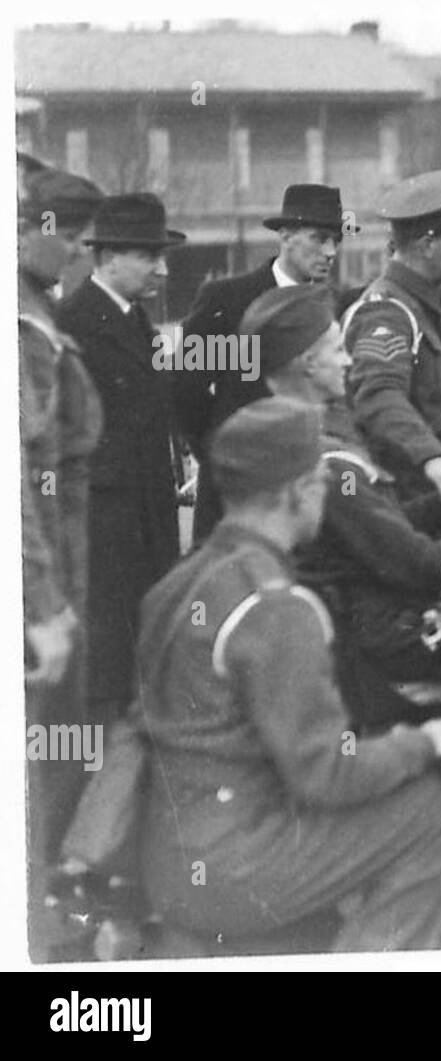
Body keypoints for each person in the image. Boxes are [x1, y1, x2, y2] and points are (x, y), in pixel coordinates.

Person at [135, 397, 441, 951]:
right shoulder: (277, 608)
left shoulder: (181, 584)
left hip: (166, 857)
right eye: (320, 479)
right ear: (297, 491)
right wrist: (424, 743)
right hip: (234, 866)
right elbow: (326, 776)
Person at [240, 284, 441, 729]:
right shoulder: (324, 459)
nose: (350, 360)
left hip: (356, 617)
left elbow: (370, 529)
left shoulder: (287, 433)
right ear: (308, 364)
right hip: (379, 636)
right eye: (338, 350)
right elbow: (420, 563)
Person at [55, 193, 185, 730]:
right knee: (110, 665)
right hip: (107, 524)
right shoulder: (76, 322)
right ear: (108, 257)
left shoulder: (133, 320)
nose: (162, 268)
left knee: (144, 650)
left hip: (145, 515)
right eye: (148, 256)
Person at [19, 171, 105, 942]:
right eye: (74, 239)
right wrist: (42, 607)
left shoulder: (36, 312)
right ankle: (36, 927)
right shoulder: (21, 326)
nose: (82, 256)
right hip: (32, 571)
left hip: (56, 553)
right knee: (34, 756)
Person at [175, 184, 352, 542]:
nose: (330, 252)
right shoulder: (228, 300)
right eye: (319, 239)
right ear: (285, 236)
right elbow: (183, 387)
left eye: (336, 240)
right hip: (238, 493)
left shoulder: (336, 305)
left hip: (308, 491)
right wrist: (220, 448)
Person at [342, 170, 441, 508]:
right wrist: (433, 461)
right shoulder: (388, 313)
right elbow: (378, 394)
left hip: (423, 498)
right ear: (427, 245)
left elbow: (431, 409)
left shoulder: (419, 307)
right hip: (399, 503)